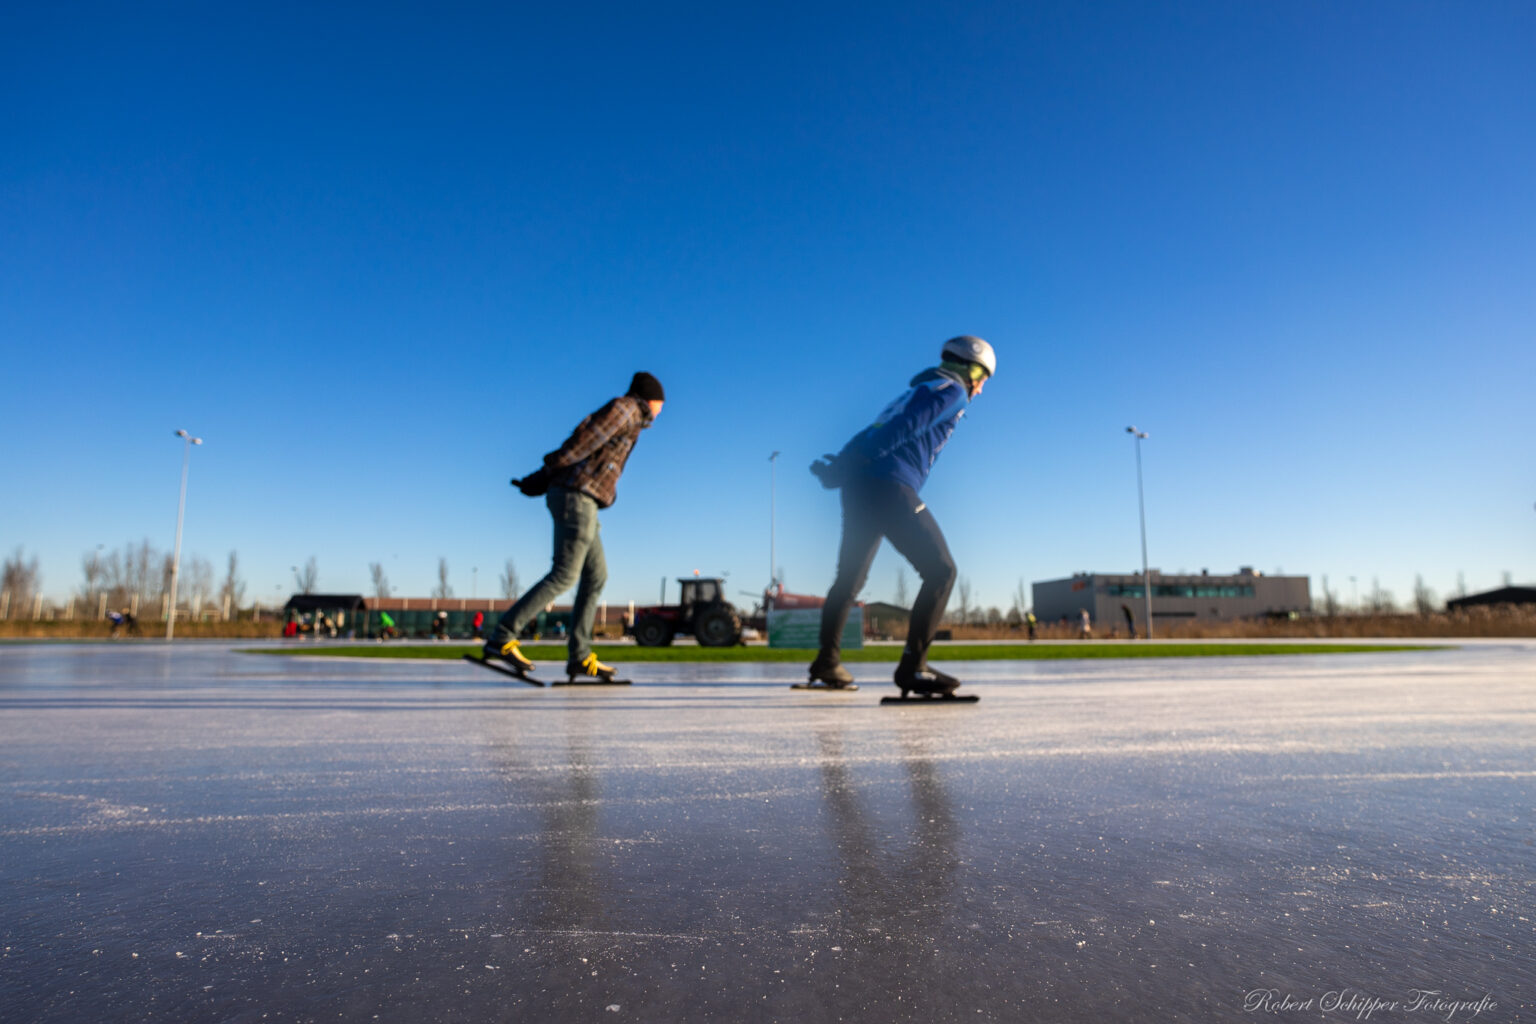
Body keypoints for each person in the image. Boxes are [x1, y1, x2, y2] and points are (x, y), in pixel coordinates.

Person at [807, 336, 995, 695]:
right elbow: (906, 425)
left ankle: (827, 662)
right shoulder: (952, 390)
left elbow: (873, 428)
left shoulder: (918, 389)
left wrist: (842, 465)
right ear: (971, 370)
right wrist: (855, 460)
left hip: (860, 487)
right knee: (942, 571)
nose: (982, 389)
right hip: (890, 485)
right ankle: (913, 668)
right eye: (983, 379)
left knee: (849, 579)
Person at [482, 371, 665, 681]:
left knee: (596, 575)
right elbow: (584, 442)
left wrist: (545, 477)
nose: (661, 411)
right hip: (577, 496)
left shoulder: (633, 419)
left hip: (585, 500)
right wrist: (545, 474)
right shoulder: (626, 409)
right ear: (652, 399)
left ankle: (579, 656)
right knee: (565, 574)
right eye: (661, 403)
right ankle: (503, 636)